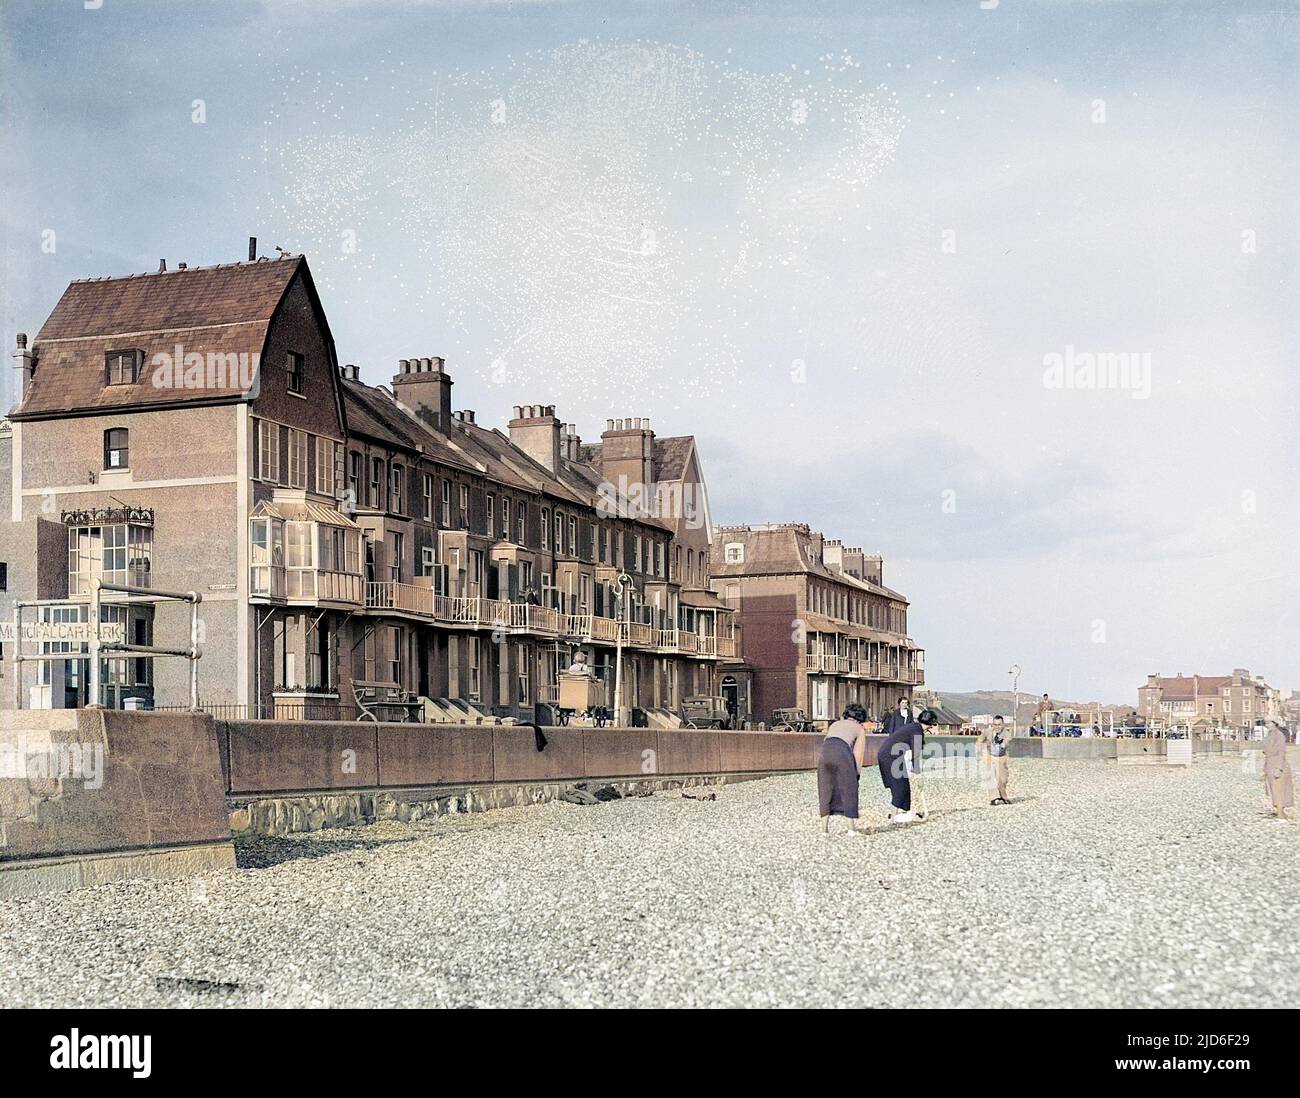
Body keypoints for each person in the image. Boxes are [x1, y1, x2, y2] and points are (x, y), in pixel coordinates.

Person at [817, 702, 872, 833]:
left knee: (826, 789)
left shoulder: (834, 724)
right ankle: (851, 830)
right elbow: (858, 755)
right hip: (842, 752)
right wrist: (856, 775)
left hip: (825, 752)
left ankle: (824, 830)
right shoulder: (859, 728)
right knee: (849, 790)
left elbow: (827, 741)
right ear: (861, 718)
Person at [879, 707, 936, 824]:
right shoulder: (917, 730)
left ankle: (903, 812)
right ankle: (893, 818)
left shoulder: (914, 727)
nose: (930, 728)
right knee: (900, 787)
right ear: (929, 724)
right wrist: (917, 772)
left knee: (903, 784)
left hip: (889, 755)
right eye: (931, 725)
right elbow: (916, 753)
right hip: (890, 756)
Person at [1261, 722, 1294, 820]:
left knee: (1279, 788)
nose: (1267, 725)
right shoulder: (1269, 735)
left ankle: (1280, 813)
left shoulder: (1279, 736)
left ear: (1275, 724)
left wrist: (1279, 768)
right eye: (1266, 723)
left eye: (1269, 723)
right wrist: (1264, 770)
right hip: (1270, 764)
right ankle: (1280, 811)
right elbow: (1266, 754)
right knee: (1273, 788)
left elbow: (1281, 752)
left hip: (1277, 764)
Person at [978, 714, 1012, 805]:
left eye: (999, 724)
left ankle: (1003, 796)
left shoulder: (1007, 733)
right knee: (990, 776)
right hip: (989, 756)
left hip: (1001, 757)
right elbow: (980, 740)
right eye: (995, 725)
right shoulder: (987, 731)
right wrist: (980, 750)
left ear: (1003, 724)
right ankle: (993, 798)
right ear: (993, 725)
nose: (997, 727)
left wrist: (1002, 745)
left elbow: (1006, 742)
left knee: (1003, 779)